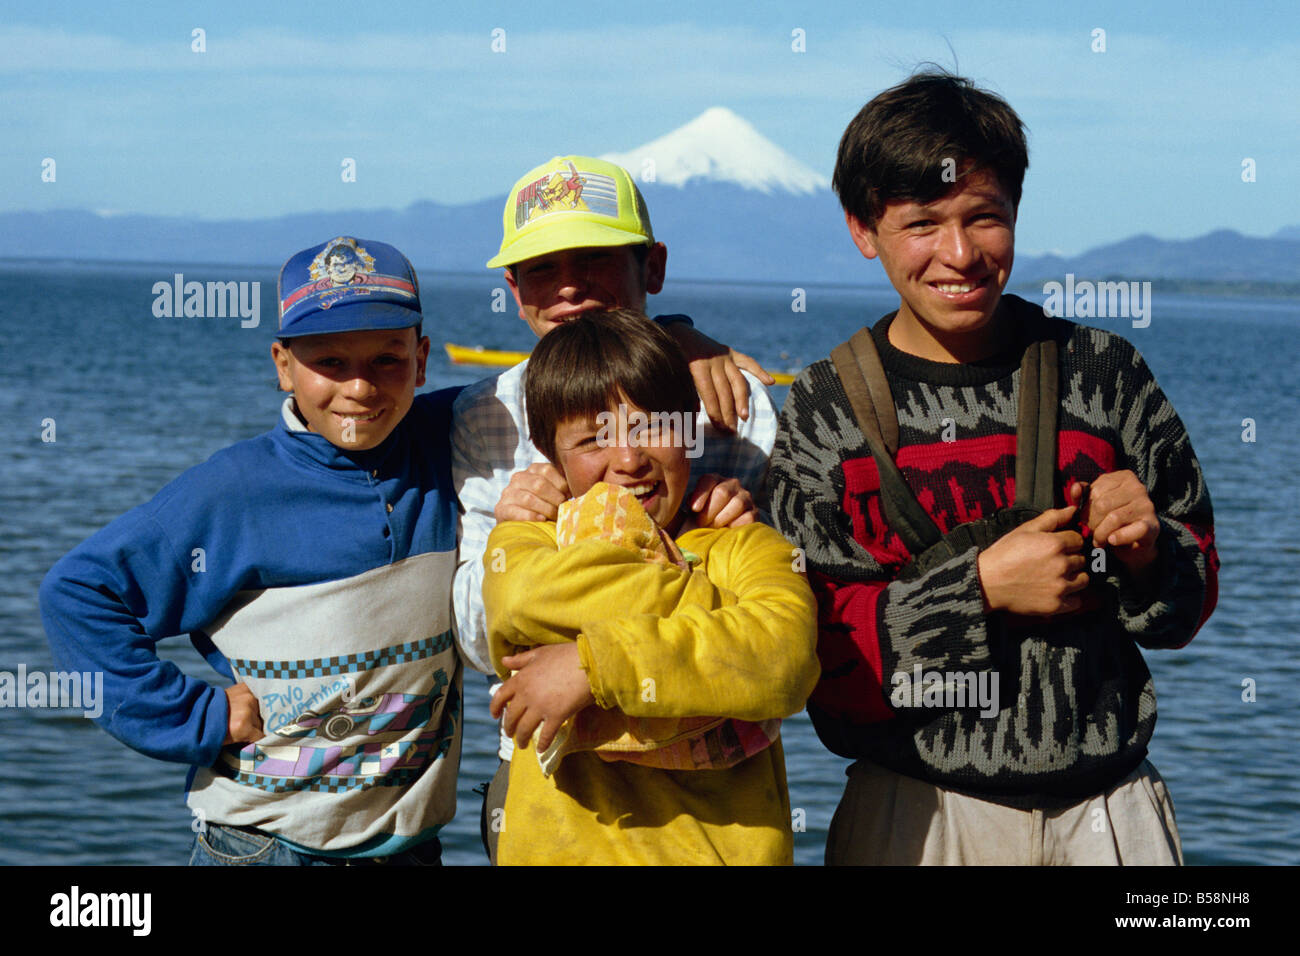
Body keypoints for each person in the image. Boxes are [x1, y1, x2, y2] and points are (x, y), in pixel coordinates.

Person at [763, 72, 1219, 865]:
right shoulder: (823, 412)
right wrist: (976, 591)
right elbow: (814, 656)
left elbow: (1191, 600)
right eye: (922, 224)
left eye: (985, 218)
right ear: (863, 229)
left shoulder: (1103, 374)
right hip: (915, 818)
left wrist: (1146, 550)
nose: (960, 253)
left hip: (1111, 816)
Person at [40, 237, 462, 865]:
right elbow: (77, 595)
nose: (360, 386)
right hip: (264, 849)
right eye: (329, 361)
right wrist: (198, 717)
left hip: (409, 850)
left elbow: (566, 387)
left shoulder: (447, 443)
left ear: (422, 359)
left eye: (386, 360)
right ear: (283, 365)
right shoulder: (233, 491)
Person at [452, 155, 779, 861]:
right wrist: (519, 531)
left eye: (596, 258)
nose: (570, 286)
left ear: (651, 268)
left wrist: (582, 653)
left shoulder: (731, 408)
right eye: (541, 267)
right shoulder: (488, 420)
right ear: (513, 290)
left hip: (715, 795)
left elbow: (772, 640)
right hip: (551, 788)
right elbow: (483, 644)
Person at [481, 309, 819, 865]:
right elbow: (521, 602)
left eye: (652, 427)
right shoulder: (525, 542)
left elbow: (785, 659)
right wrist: (723, 617)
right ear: (549, 454)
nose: (629, 459)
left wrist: (594, 665)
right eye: (593, 439)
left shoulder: (745, 545)